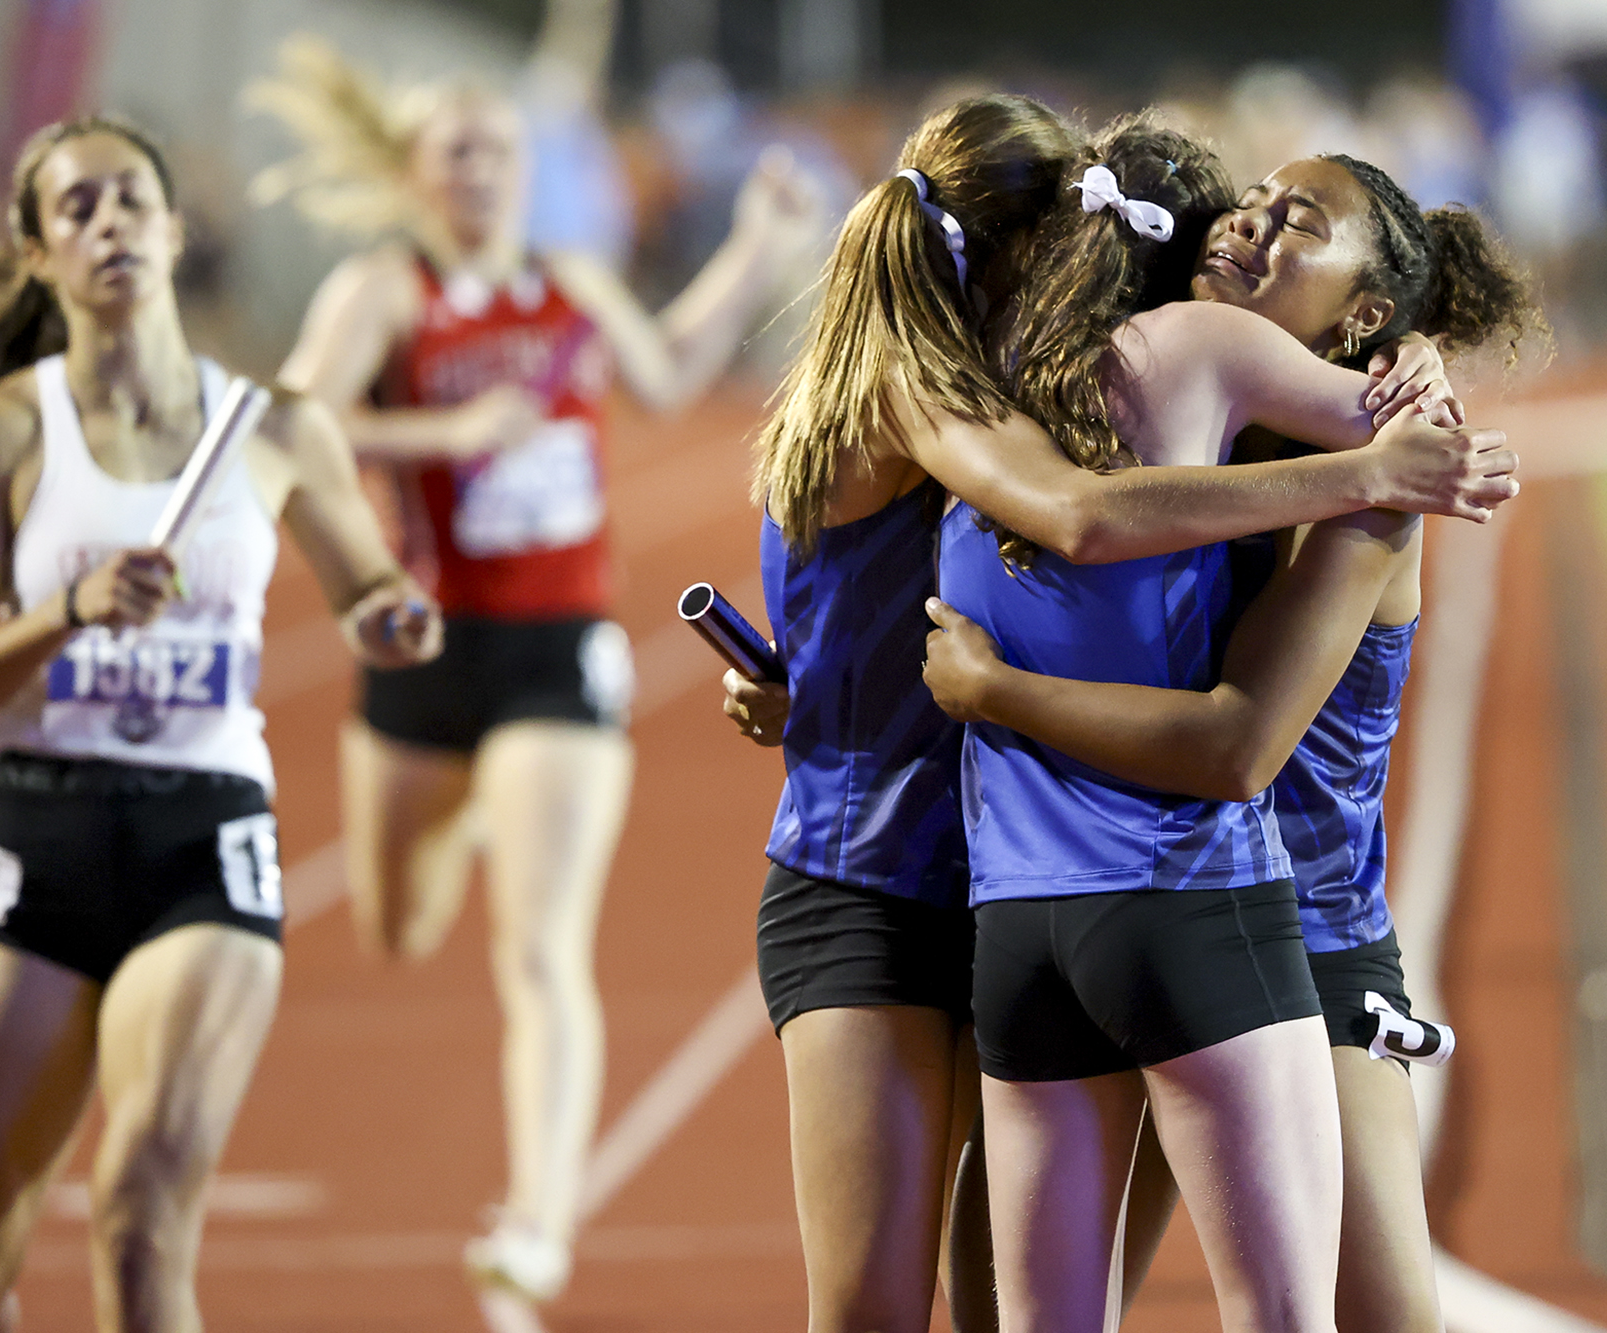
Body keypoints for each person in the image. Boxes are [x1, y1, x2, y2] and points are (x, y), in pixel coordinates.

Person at [731, 99, 1516, 1333]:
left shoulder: (1326, 466)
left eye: (1291, 221)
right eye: (1248, 206)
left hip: (1288, 921)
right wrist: (823, 677)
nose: (1253, 226)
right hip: (1148, 903)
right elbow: (1063, 537)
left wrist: (1409, 394)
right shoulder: (1131, 415)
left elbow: (1236, 741)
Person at [0, 116, 441, 1333]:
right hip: (39, 837)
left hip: (206, 841)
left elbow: (370, 593)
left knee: (138, 1221)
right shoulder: (1, 432)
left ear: (175, 228)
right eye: (74, 209)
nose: (108, 223)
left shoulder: (277, 427)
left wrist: (399, 621)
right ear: (37, 254)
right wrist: (66, 612)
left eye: (129, 198)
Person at [247, 37, 821, 1305]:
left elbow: (669, 370)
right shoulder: (383, 293)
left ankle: (541, 1218)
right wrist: (436, 429)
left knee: (544, 951)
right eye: (456, 151)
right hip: (420, 644)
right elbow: (292, 421)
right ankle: (459, 821)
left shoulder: (565, 280)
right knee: (399, 925)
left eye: (499, 150)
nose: (481, 170)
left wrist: (752, 241)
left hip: (556, 650)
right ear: (413, 175)